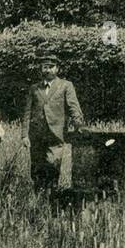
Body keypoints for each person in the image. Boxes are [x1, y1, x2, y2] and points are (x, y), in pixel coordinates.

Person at [22, 52, 85, 192]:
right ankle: (38, 197)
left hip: (56, 135)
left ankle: (52, 197)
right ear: (41, 69)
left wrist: (78, 124)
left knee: (53, 166)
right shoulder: (34, 88)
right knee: (37, 168)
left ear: (57, 69)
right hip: (36, 135)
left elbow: (74, 107)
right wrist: (24, 135)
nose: (48, 70)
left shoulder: (66, 86)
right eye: (45, 67)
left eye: (51, 67)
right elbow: (27, 113)